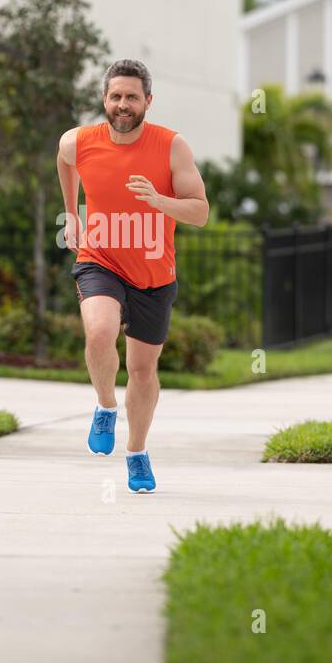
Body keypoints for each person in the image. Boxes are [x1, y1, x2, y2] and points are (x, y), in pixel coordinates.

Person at [55, 59, 209, 493]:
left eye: (132, 97)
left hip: (154, 274)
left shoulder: (171, 146)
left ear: (148, 102)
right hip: (100, 258)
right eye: (116, 96)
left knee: (143, 371)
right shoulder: (79, 141)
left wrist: (160, 200)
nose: (123, 105)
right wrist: (72, 214)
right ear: (105, 99)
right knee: (100, 333)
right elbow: (64, 162)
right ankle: (105, 406)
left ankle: (137, 452)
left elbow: (200, 211)